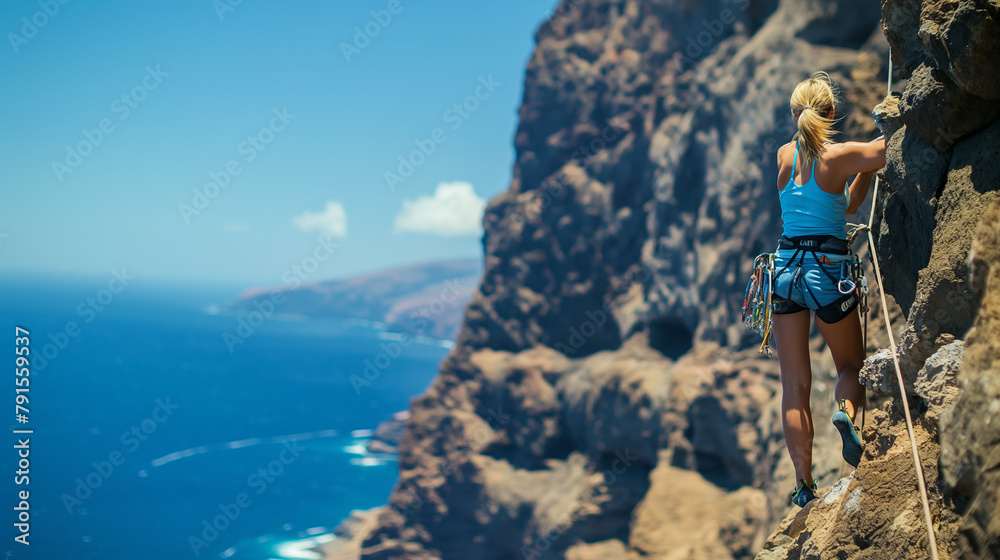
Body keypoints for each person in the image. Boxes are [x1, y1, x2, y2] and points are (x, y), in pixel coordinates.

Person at [770, 72, 886, 507]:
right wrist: (871, 157)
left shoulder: (784, 155)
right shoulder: (837, 156)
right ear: (831, 112)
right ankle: (847, 413)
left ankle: (802, 484)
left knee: (794, 385)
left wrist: (864, 174)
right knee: (849, 368)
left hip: (784, 272)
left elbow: (846, 204)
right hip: (826, 272)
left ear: (795, 114)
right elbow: (883, 149)